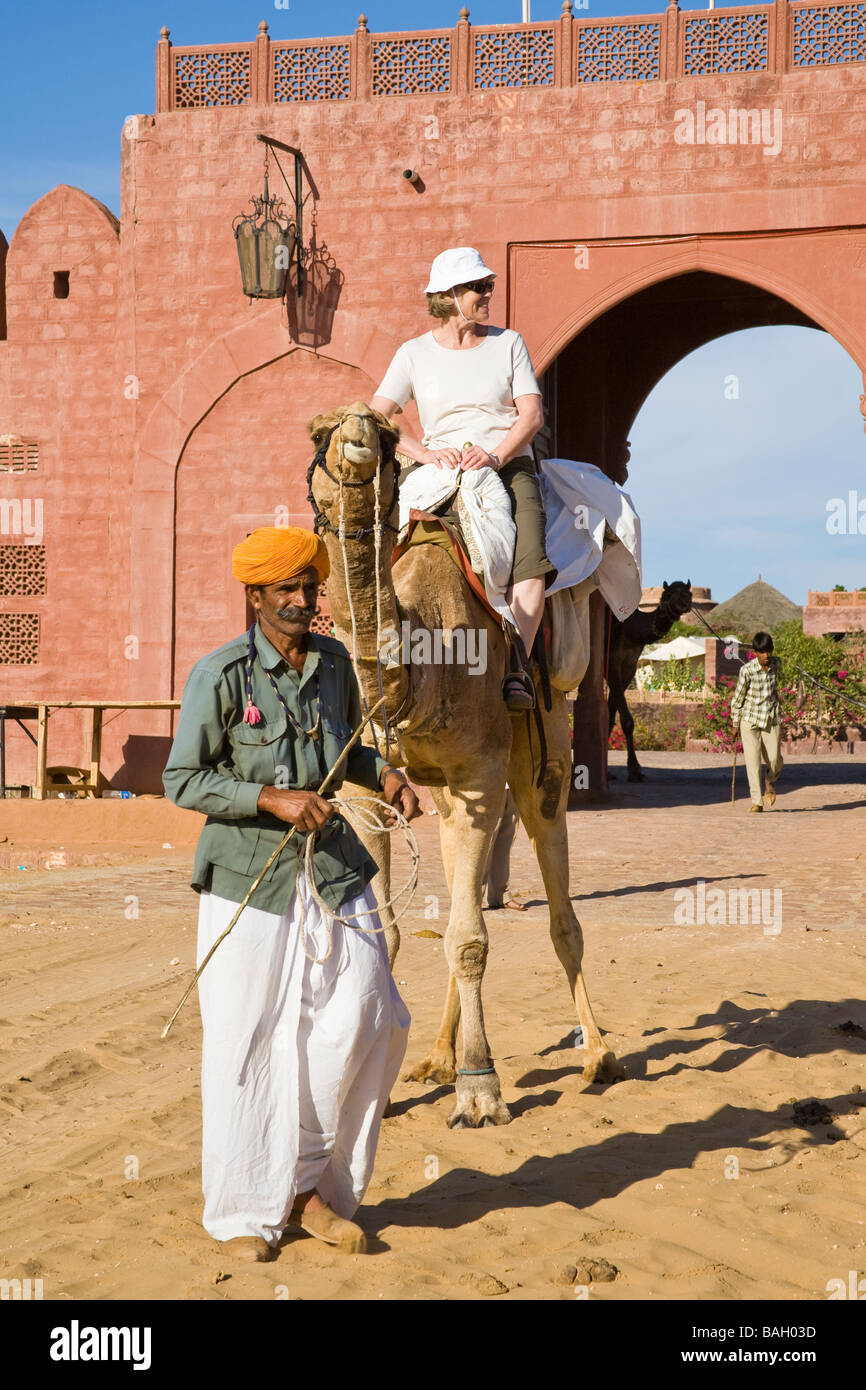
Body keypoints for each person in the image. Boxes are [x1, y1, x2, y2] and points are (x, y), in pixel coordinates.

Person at [163, 525, 420, 1262]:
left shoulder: (336, 663)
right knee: (248, 1036)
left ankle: (313, 1187)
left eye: (311, 587)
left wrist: (387, 776)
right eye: (289, 590)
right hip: (250, 878)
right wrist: (269, 799)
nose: (306, 600)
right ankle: (246, 1209)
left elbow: (348, 747)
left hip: (333, 867)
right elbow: (183, 779)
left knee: (369, 1012)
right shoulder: (220, 675)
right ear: (255, 596)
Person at [369, 246, 556, 712]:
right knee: (379, 545)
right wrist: (426, 453)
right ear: (450, 295)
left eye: (488, 284)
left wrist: (494, 456)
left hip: (506, 464)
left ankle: (516, 662)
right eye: (479, 287)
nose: (488, 293)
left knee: (528, 557)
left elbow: (531, 415)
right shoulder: (413, 354)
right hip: (437, 470)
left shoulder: (507, 343)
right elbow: (379, 416)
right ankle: (383, 655)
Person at [730, 631, 784, 812]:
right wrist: (735, 724)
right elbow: (738, 699)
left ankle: (770, 781)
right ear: (755, 652)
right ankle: (757, 802)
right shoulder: (747, 671)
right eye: (762, 652)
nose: (766, 656)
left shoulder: (777, 664)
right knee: (752, 763)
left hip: (771, 718)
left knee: (775, 760)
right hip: (750, 720)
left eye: (768, 651)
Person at [483, 786, 527, 911]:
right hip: (491, 782)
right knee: (484, 845)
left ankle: (500, 896)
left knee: (504, 844)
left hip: (514, 781)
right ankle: (471, 899)